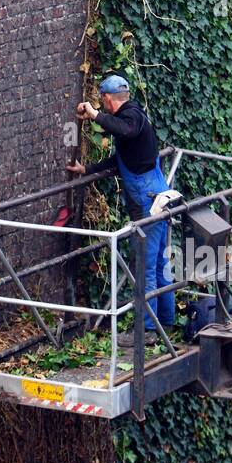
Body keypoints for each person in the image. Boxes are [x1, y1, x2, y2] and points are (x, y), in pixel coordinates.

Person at [66, 73, 175, 338]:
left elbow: (123, 129)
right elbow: (120, 160)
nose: (101, 106)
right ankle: (166, 323)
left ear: (107, 98)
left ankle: (148, 331)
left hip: (147, 200)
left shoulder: (132, 118)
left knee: (146, 266)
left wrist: (93, 115)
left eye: (101, 102)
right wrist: (87, 169)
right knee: (160, 263)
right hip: (157, 192)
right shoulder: (134, 115)